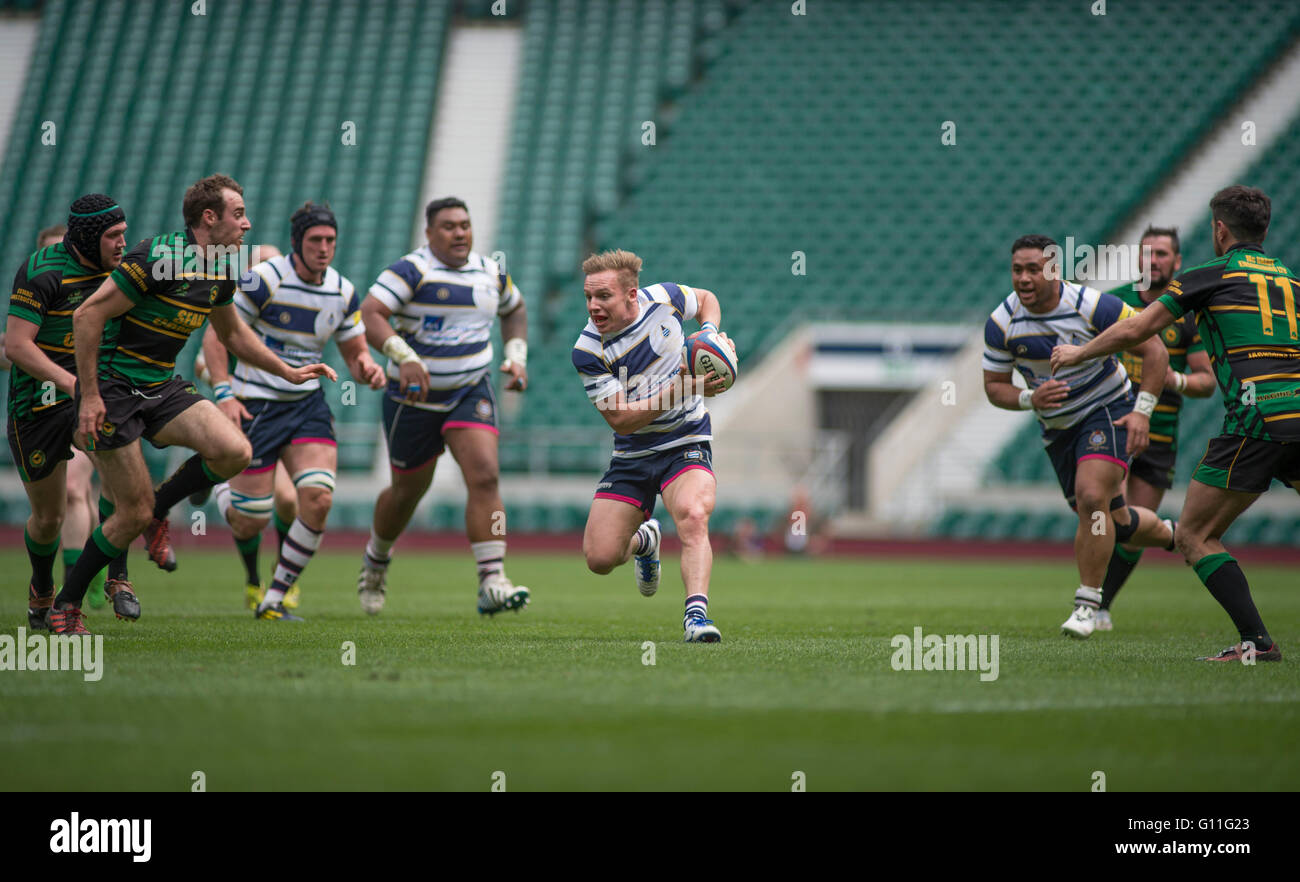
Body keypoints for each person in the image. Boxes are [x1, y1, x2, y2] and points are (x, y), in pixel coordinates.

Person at [48, 174, 336, 634]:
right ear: (209, 217)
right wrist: (89, 396)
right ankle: (66, 604)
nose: (247, 224)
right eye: (238, 214)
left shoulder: (222, 267)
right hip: (115, 389)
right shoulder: (156, 257)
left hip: (161, 386)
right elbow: (87, 315)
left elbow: (233, 334)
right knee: (131, 511)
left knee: (234, 451)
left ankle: (158, 512)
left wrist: (289, 371)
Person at [1052, 185, 1293, 661]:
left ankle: (1257, 643)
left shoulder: (1209, 276)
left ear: (1219, 231)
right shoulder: (1291, 282)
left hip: (1256, 420)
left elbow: (1138, 329)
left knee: (1193, 535)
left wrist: (1079, 351)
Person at [983, 234, 1175, 639]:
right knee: (1114, 522)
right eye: (1017, 269)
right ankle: (1178, 535)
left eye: (1033, 269)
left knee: (1092, 499)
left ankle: (1088, 606)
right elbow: (994, 386)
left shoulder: (1093, 307)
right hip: (1058, 432)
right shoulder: (1002, 323)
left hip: (1108, 409)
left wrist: (1142, 413)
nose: (1023, 278)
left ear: (1054, 269)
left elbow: (1155, 351)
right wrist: (1029, 397)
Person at [202, 203, 383, 621]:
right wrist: (225, 393)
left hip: (306, 405)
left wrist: (367, 369)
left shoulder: (342, 291)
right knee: (250, 521)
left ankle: (275, 597)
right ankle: (216, 480)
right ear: (297, 242)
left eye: (330, 241)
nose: (324, 248)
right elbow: (217, 337)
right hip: (256, 403)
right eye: (315, 240)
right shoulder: (261, 280)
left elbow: (355, 353)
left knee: (317, 499)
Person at [356, 197, 530, 617]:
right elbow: (371, 312)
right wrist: (405, 356)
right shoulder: (410, 271)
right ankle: (376, 561)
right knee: (407, 492)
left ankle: (493, 579)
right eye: (449, 226)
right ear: (430, 233)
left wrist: (517, 354)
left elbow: (516, 309)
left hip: (470, 389)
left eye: (465, 225)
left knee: (485, 476)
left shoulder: (491, 272)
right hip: (412, 399)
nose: (460, 233)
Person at [573, 249, 734, 643]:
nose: (593, 306)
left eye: (603, 296)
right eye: (589, 297)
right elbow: (622, 419)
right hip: (632, 453)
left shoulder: (664, 298)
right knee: (600, 559)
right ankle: (645, 540)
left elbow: (707, 299)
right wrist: (686, 386)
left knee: (694, 515)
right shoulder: (588, 351)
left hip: (685, 439)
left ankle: (696, 618)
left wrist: (710, 332)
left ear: (632, 294)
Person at [7, 196, 127, 628]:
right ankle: (42, 586)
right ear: (91, 237)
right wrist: (72, 383)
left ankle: (114, 579)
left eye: (124, 234)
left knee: (120, 474)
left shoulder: (121, 273)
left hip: (91, 399)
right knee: (48, 517)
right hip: (35, 407)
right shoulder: (41, 271)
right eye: (114, 235)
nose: (123, 243)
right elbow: (16, 345)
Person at [1095, 226, 1215, 629]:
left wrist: (1173, 379)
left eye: (1162, 254)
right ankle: (1091, 601)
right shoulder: (1113, 305)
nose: (1154, 261)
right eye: (1147, 253)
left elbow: (1206, 381)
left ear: (1177, 262)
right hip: (1112, 429)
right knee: (1111, 517)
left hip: (1159, 435)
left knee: (1132, 527)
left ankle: (1100, 606)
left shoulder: (1186, 315)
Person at [194, 243, 309, 610]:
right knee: (249, 520)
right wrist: (225, 386)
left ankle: (282, 577)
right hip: (243, 416)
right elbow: (203, 362)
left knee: (291, 500)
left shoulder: (286, 316)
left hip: (280, 416)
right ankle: (253, 578)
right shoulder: (234, 316)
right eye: (262, 266)